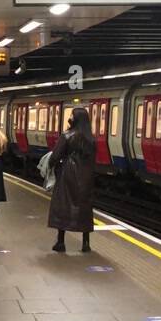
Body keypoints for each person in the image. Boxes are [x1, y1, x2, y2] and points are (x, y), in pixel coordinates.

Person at [48, 107, 96, 253]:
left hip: (68, 174)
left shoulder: (67, 135)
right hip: (86, 176)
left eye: (71, 116)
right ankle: (86, 243)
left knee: (63, 204)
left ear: (74, 119)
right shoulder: (91, 139)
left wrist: (50, 165)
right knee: (85, 207)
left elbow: (55, 156)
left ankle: (61, 242)